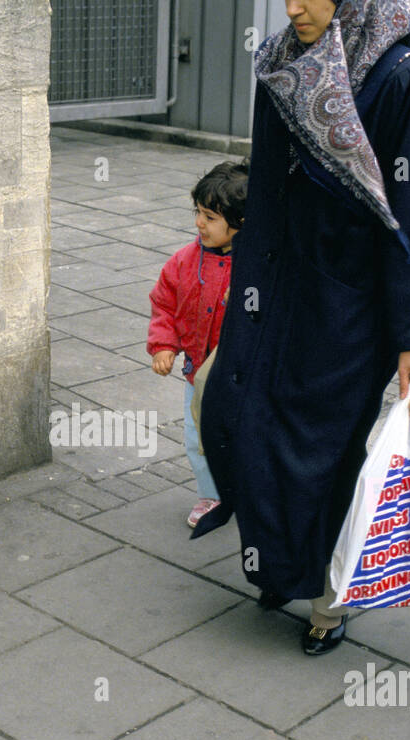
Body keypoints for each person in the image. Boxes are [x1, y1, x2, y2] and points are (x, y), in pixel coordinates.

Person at [194, 0, 410, 657]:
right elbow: (268, 196)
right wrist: (244, 294)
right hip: (277, 292)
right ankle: (280, 562)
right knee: (233, 412)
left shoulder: (403, 79)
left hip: (350, 311)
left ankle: (329, 601)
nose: (293, 7)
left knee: (323, 454)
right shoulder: (284, 65)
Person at [148, 160, 250, 528]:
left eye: (209, 216)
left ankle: (248, 490)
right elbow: (164, 302)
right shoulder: (184, 262)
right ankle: (211, 495)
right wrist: (164, 344)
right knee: (198, 438)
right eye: (198, 213)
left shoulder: (254, 267)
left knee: (244, 438)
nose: (199, 223)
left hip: (243, 378)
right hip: (198, 377)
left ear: (240, 222)